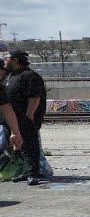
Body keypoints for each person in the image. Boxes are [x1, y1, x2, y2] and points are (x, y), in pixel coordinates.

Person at [5, 50, 47, 185]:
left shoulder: (29, 76)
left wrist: (29, 117)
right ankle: (26, 171)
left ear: (15, 60)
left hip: (25, 118)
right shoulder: (12, 75)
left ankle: (33, 173)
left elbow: (34, 98)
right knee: (21, 145)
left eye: (7, 58)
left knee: (30, 144)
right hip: (15, 118)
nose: (5, 61)